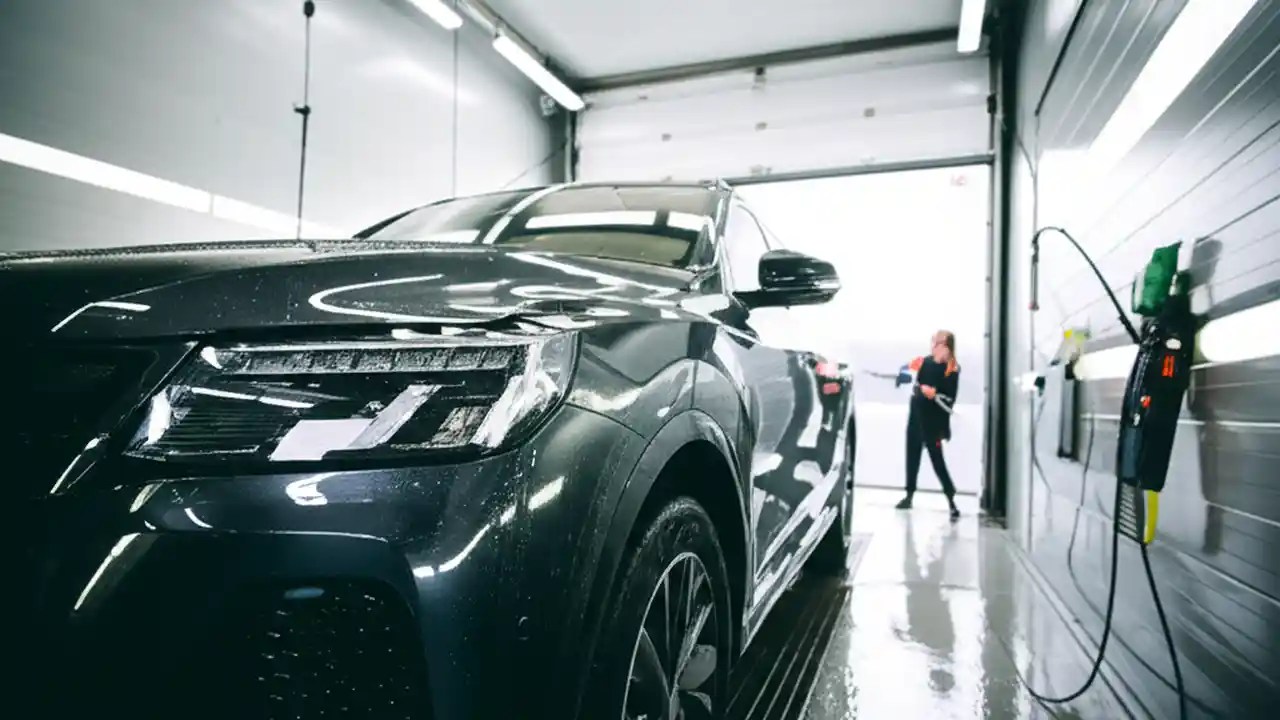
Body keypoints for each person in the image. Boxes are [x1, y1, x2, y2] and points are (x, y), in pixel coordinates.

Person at [896, 330, 961, 518]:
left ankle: (951, 498)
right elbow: (906, 376)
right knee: (912, 457)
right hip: (916, 419)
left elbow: (949, 397)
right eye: (933, 342)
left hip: (934, 423)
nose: (933, 346)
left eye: (937, 343)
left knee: (937, 462)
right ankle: (909, 495)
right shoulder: (923, 361)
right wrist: (914, 385)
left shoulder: (952, 369)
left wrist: (935, 393)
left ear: (946, 346)